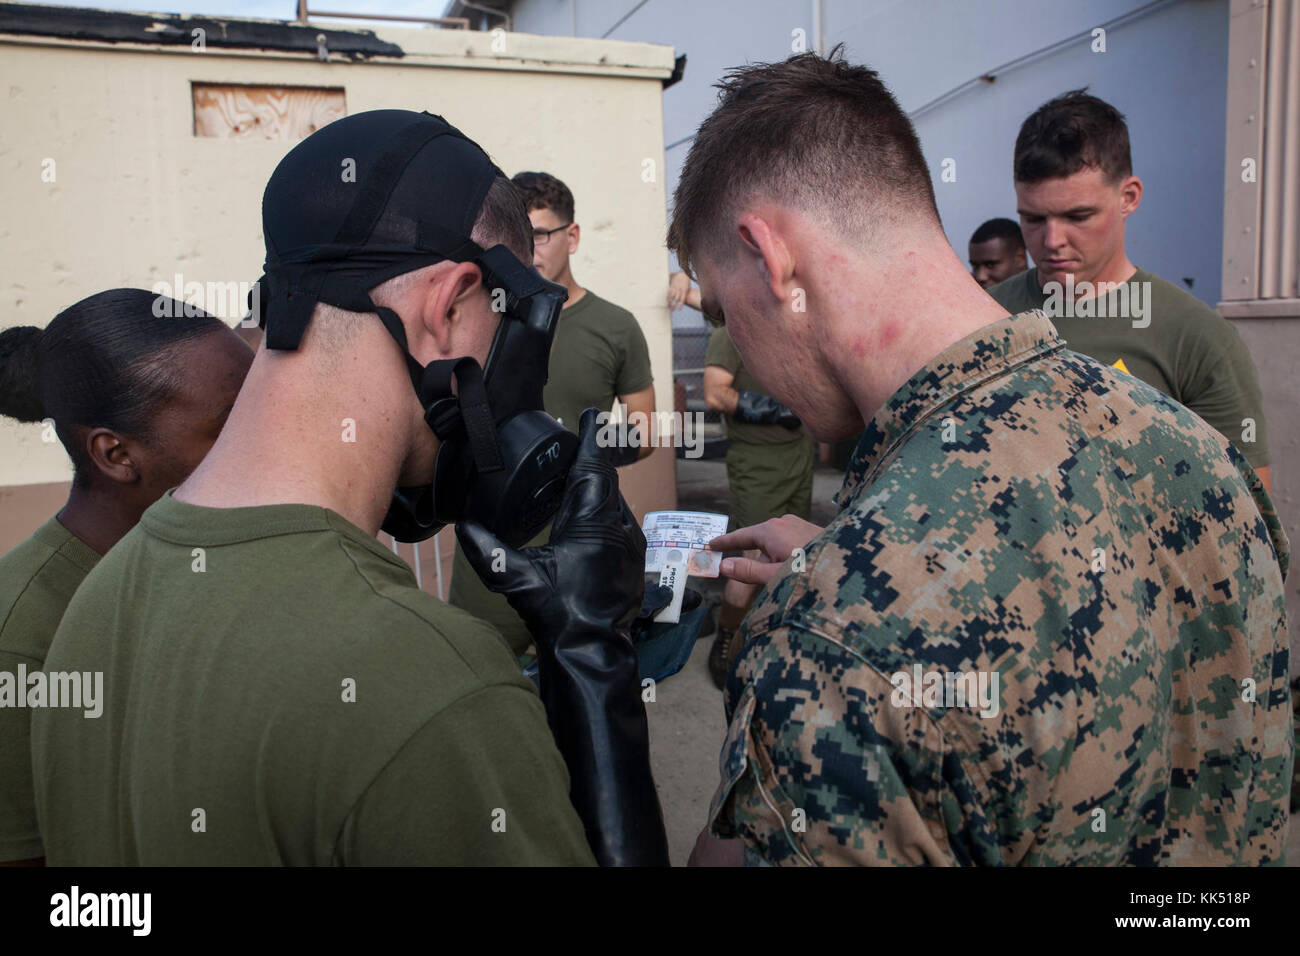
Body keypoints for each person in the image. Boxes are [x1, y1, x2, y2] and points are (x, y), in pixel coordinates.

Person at [669, 48, 1290, 866]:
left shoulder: (835, 641)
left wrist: (835, 610)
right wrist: (857, 570)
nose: (733, 335)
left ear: (770, 257)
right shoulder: (1198, 454)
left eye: (720, 303)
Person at [32, 110, 668, 866]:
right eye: (514, 326)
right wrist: (594, 656)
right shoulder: (436, 688)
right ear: (451, 308)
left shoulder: (95, 603)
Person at [0, 289, 252, 866]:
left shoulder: (214, 565)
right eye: (230, 427)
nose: (265, 444)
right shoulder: (18, 639)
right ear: (115, 455)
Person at [987, 90, 1272, 493]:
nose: (1052, 240)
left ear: (1129, 198)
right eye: (1033, 219)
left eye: (1078, 216)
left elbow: (1249, 515)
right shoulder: (983, 317)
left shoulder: (1197, 337)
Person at [448, 171, 655, 658]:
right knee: (483, 686)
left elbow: (646, 433)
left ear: (572, 236)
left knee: (573, 699)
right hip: (489, 546)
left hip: (580, 549)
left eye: (539, 234)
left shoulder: (615, 326)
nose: (530, 249)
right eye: (518, 237)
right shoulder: (476, 318)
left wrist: (583, 453)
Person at [968, 217, 1026, 289]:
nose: (981, 277)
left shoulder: (1042, 297)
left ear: (1020, 258)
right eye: (975, 266)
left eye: (990, 265)